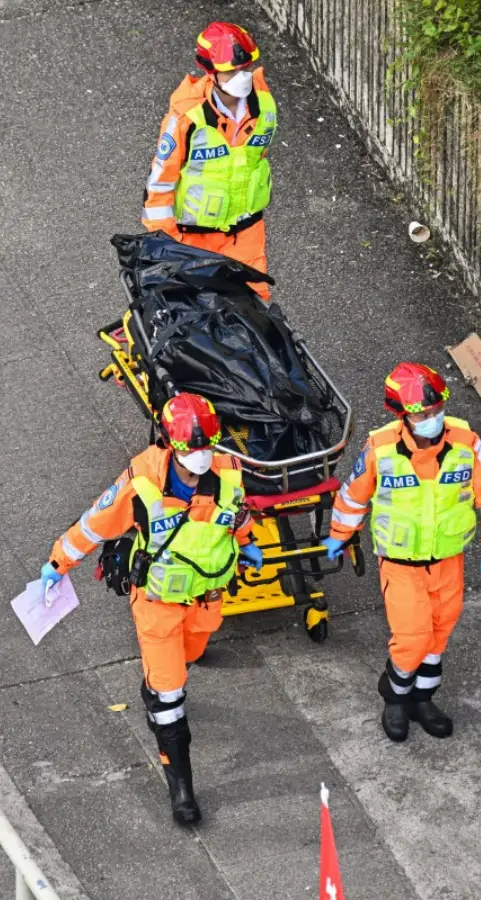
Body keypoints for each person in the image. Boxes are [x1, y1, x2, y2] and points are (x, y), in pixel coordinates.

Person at [41, 394, 264, 824]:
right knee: (170, 691)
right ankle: (182, 787)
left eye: (207, 447)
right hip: (159, 602)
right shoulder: (140, 481)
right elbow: (93, 524)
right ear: (170, 444)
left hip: (208, 599)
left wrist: (248, 542)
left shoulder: (229, 472)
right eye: (191, 448)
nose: (201, 456)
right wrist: (58, 564)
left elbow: (236, 516)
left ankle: (165, 684)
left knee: (192, 653)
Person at [321, 363, 481, 742]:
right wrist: (340, 534)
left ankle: (422, 700)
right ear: (402, 415)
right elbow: (353, 496)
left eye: (436, 410)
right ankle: (394, 698)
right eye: (422, 414)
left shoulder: (465, 441)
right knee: (412, 637)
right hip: (401, 566)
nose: (432, 419)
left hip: (447, 561)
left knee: (438, 636)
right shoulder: (380, 449)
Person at [142, 22, 278, 303]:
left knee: (255, 310)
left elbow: (256, 161)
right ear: (211, 72)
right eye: (232, 70)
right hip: (192, 239)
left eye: (246, 68)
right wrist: (168, 244)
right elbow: (160, 186)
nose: (242, 76)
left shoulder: (264, 106)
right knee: (197, 318)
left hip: (246, 234)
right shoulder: (186, 119)